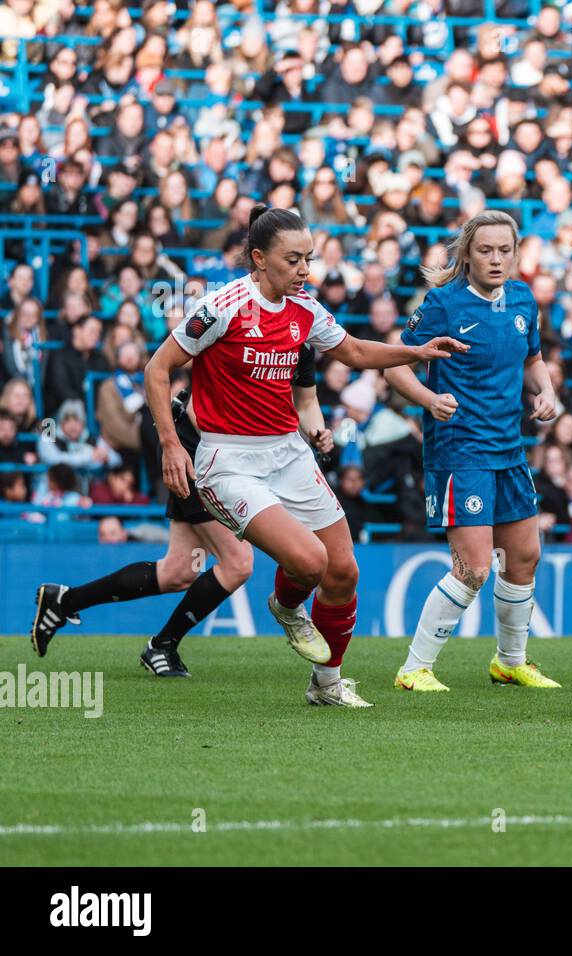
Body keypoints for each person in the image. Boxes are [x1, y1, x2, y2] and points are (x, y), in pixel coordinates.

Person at [138, 205, 466, 706]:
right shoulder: (223, 306)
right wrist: (168, 443)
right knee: (309, 561)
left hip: (288, 453)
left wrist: (416, 353)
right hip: (228, 460)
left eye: (308, 258)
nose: (305, 270)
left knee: (343, 571)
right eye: (293, 260)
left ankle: (327, 686)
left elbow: (354, 352)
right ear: (258, 258)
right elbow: (158, 369)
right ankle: (288, 607)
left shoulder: (304, 307)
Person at [30, 350, 331, 677]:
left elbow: (304, 404)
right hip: (199, 460)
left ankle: (65, 601)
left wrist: (315, 433)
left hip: (216, 460)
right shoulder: (243, 331)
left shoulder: (298, 343)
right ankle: (163, 644)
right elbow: (201, 413)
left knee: (178, 571)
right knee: (238, 562)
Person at [383, 211, 563, 693]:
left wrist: (544, 391)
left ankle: (510, 661)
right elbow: (395, 365)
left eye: (505, 250)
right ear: (467, 253)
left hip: (509, 449)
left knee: (525, 555)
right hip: (460, 451)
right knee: (474, 568)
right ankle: (414, 668)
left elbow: (533, 358)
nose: (496, 258)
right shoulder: (443, 304)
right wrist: (428, 399)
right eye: (486, 250)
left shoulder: (523, 298)